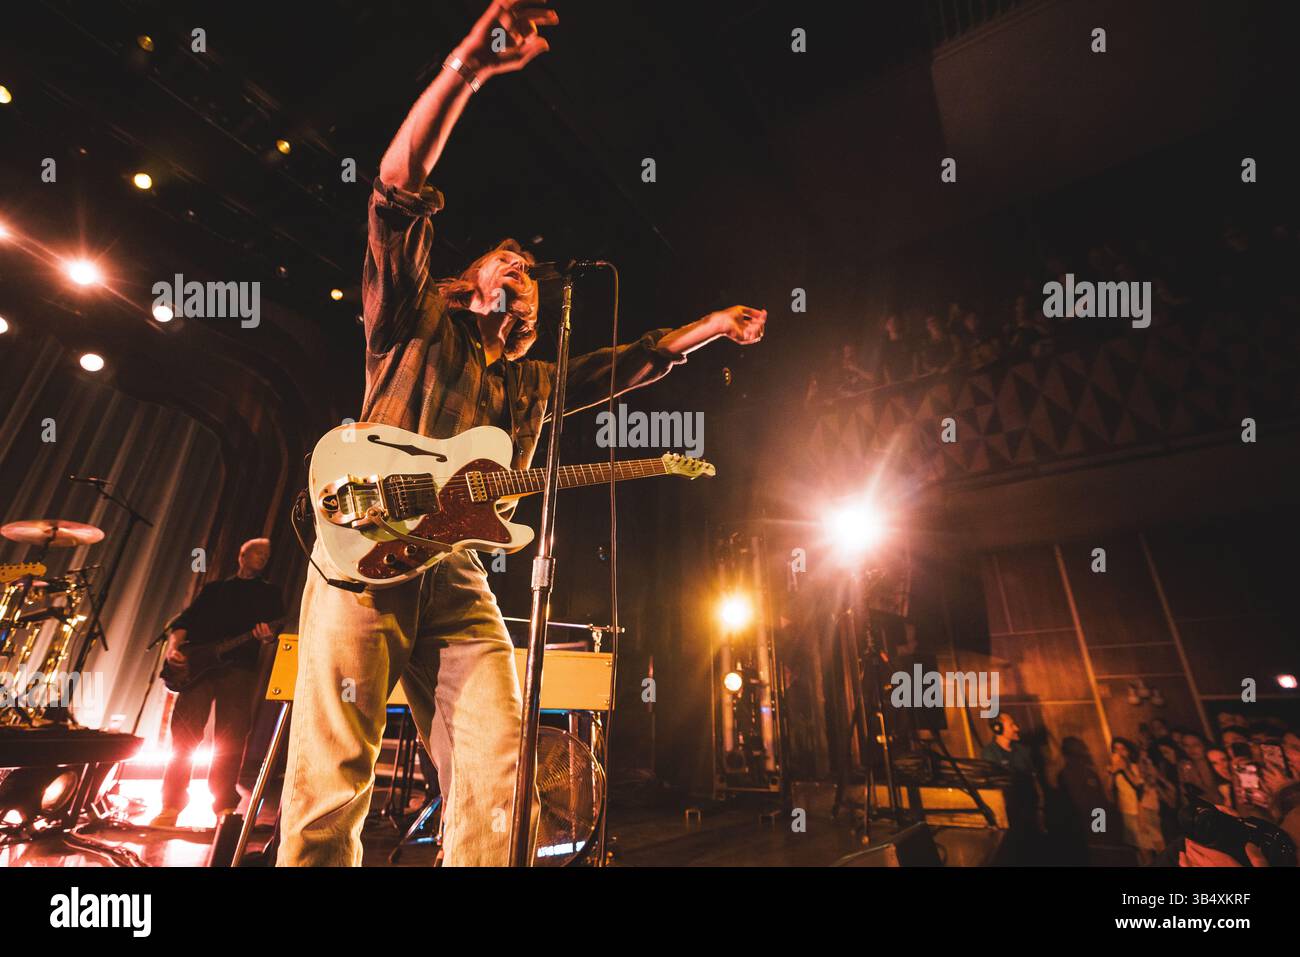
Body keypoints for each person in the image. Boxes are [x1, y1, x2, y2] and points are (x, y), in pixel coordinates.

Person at [276, 0, 768, 867]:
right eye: (504, 262)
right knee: (332, 783)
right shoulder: (413, 319)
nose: (521, 272)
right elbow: (394, 192)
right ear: (469, 280)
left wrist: (713, 327)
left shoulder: (537, 382)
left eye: (530, 269)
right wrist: (466, 69)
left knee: (498, 756)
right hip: (366, 551)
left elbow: (634, 361)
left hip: (457, 571)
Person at [151, 538, 284, 827]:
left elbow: (275, 629)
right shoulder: (215, 589)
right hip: (197, 668)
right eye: (257, 553)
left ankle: (224, 804)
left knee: (232, 738)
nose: (262, 558)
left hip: (238, 669)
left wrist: (268, 636)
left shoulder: (270, 593)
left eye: (267, 555)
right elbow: (181, 624)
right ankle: (171, 805)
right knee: (184, 738)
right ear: (242, 555)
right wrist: (173, 648)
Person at [980, 713, 1043, 862]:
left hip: (1029, 813)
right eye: (1012, 725)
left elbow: (1034, 780)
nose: (1017, 728)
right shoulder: (990, 754)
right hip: (1010, 817)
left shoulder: (1022, 750)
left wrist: (1040, 809)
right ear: (998, 728)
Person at [1109, 737, 1164, 863]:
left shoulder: (1135, 766)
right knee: (1142, 850)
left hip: (1143, 810)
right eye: (1115, 749)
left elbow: (1140, 787)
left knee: (1158, 846)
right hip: (1127, 812)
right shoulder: (1114, 770)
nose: (1119, 752)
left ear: (1128, 751)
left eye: (1122, 749)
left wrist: (1124, 768)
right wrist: (1112, 772)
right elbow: (1109, 791)